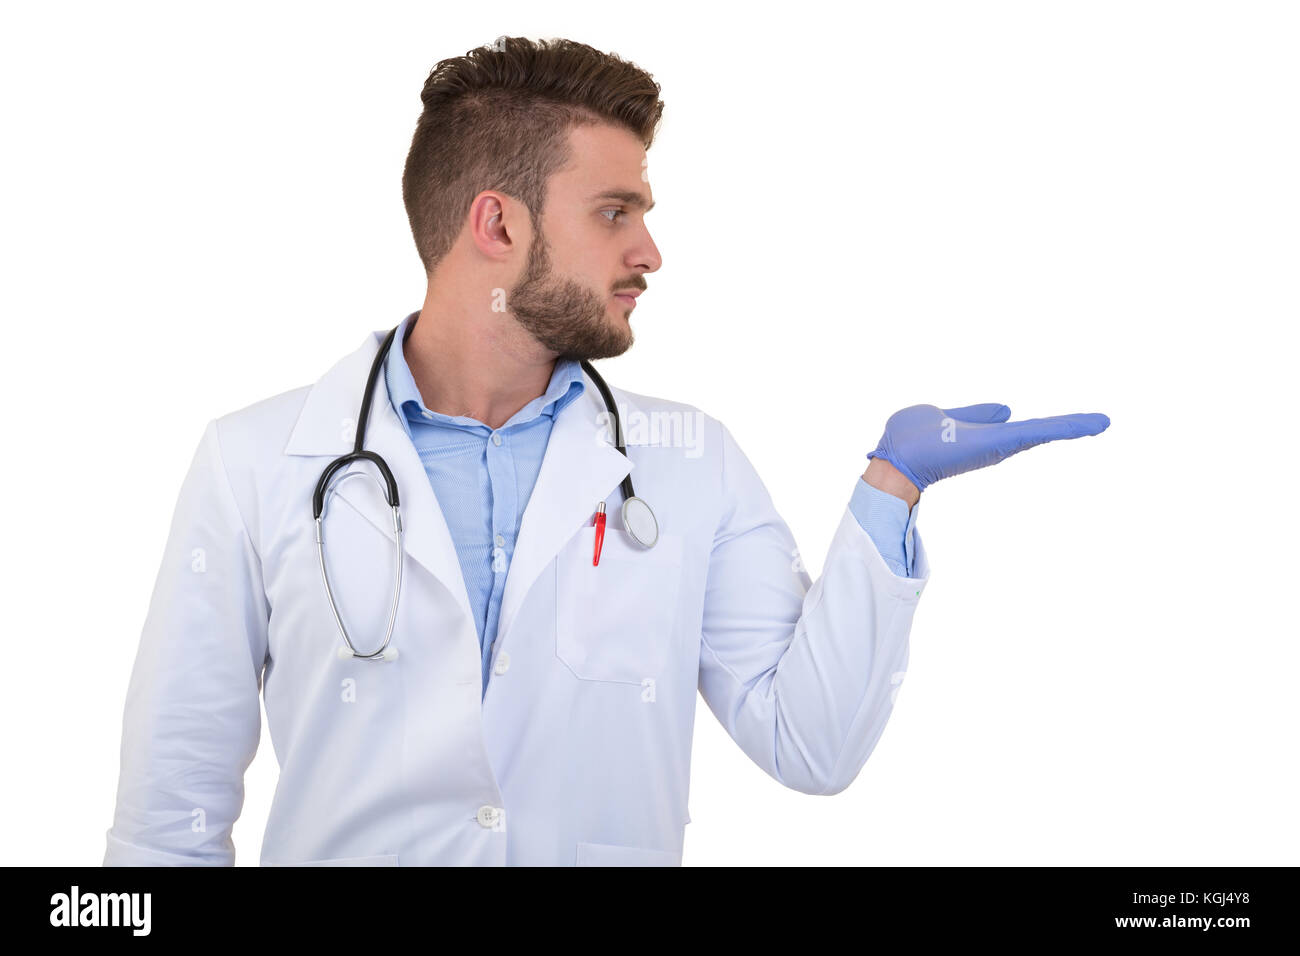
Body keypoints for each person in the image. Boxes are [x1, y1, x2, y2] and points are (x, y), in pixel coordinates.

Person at [103, 36, 1109, 867]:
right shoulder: (256, 461)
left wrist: (889, 490)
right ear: (495, 224)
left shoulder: (689, 462)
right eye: (613, 212)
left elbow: (811, 742)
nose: (649, 253)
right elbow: (167, 824)